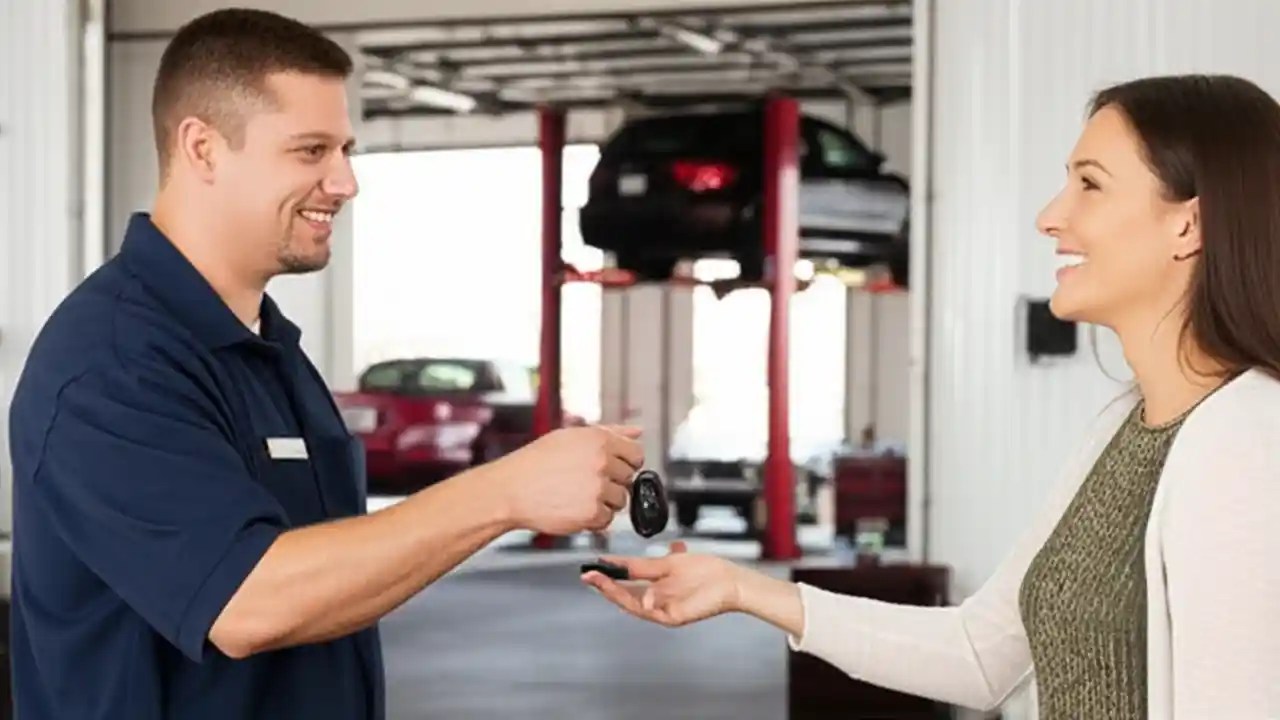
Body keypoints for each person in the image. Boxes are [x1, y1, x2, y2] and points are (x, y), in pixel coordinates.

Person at [6, 8, 644, 720]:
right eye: (310, 151)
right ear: (203, 149)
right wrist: (502, 494)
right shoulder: (114, 362)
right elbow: (245, 603)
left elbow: (331, 583)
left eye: (345, 150)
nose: (344, 182)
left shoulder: (268, 350)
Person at [584, 73, 1280, 719]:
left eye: (1090, 185)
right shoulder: (1130, 423)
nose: (1050, 216)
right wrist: (742, 590)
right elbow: (979, 653)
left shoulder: (1245, 439)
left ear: (1188, 224)